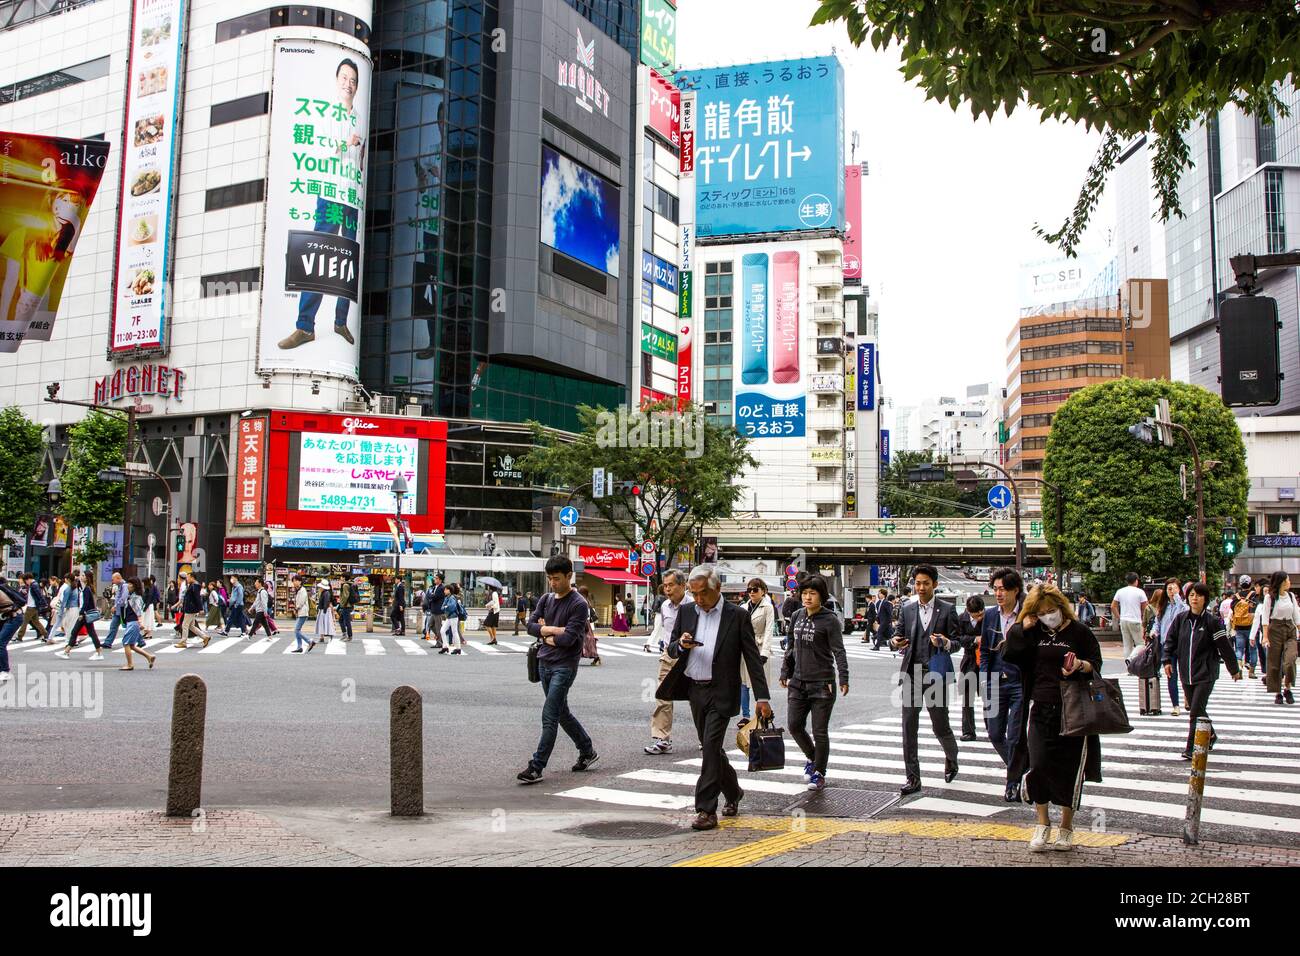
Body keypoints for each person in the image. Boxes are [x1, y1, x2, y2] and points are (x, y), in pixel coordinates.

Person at [655, 565, 771, 830]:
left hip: (722, 691)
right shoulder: (686, 611)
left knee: (709, 747)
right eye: (694, 594)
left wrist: (761, 697)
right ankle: (734, 792)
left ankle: (706, 809)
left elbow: (752, 658)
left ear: (717, 588)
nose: (698, 599)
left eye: (703, 594)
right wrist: (680, 644)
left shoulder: (736, 616)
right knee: (712, 749)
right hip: (695, 690)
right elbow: (672, 648)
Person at [1003, 584, 1104, 853]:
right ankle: (1042, 823)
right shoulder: (1034, 632)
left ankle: (1067, 827)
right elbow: (1009, 653)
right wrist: (1021, 626)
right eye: (1042, 612)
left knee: (1069, 768)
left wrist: (1079, 666)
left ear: (1061, 607)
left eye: (1051, 610)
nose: (1048, 616)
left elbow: (1096, 662)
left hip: (1073, 709)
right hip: (1039, 706)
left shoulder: (1078, 631)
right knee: (1038, 764)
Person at [277, 57, 366, 351]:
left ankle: (340, 321)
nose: (349, 84)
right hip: (330, 193)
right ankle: (305, 326)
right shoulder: (327, 114)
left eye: (353, 80)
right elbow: (319, 150)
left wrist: (358, 156)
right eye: (344, 78)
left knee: (347, 260)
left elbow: (361, 160)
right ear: (336, 79)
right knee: (319, 256)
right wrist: (346, 145)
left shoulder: (359, 118)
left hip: (351, 197)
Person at [517, 554, 599, 784]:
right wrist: (554, 631)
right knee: (562, 713)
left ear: (569, 576)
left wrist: (546, 634)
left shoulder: (579, 604)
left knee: (550, 715)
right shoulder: (546, 599)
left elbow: (570, 639)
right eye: (550, 578)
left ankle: (536, 766)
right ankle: (587, 751)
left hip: (564, 666)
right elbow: (530, 627)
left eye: (557, 578)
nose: (553, 583)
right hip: (544, 663)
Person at [890, 563, 961, 795]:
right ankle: (913, 777)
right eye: (917, 583)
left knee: (940, 725)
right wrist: (895, 642)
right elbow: (897, 635)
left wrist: (945, 642)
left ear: (935, 585)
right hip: (912, 673)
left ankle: (951, 757)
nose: (920, 588)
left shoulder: (947, 609)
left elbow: (958, 642)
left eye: (925, 583)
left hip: (937, 675)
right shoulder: (908, 609)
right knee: (908, 727)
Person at [780, 574, 848, 791]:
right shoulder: (798, 615)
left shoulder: (830, 620)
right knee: (794, 725)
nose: (807, 597)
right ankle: (813, 758)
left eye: (813, 593)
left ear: (821, 596)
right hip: (798, 681)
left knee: (820, 731)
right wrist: (785, 672)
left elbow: (839, 651)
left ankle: (819, 772)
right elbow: (790, 647)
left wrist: (843, 677)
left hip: (822, 683)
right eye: (805, 593)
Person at [1164, 581, 1241, 759]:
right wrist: (1167, 660)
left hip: (1206, 672)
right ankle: (1211, 734)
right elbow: (1170, 641)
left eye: (1198, 595)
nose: (1194, 598)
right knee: (1196, 708)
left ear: (1205, 598)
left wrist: (1233, 669)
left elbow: (1224, 646)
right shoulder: (1181, 619)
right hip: (1186, 673)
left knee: (1195, 711)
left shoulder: (1212, 622)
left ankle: (1191, 748)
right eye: (1191, 595)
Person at [981, 567, 1026, 802]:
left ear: (1015, 590)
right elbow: (986, 651)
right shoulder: (990, 615)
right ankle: (1023, 767)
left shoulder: (1027, 614)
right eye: (996, 589)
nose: (998, 594)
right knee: (994, 732)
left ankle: (1013, 782)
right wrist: (984, 679)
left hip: (1019, 682)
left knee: (1014, 736)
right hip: (996, 681)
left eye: (1003, 589)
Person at [644, 569, 692, 755]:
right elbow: (664, 630)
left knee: (696, 698)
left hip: (691, 655)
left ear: (682, 585)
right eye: (665, 585)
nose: (667, 589)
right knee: (662, 695)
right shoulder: (664, 606)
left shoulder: (694, 604)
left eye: (671, 585)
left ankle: (706, 738)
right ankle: (662, 739)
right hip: (669, 655)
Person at [739, 579, 774, 722]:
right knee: (743, 683)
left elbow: (769, 630)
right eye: (749, 590)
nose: (752, 592)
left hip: (759, 648)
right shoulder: (743, 607)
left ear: (763, 591)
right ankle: (745, 716)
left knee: (759, 682)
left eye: (755, 589)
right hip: (744, 648)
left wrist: (765, 653)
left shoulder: (768, 607)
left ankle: (763, 714)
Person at [1261, 571, 1298, 705]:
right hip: (1274, 629)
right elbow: (1265, 618)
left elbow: (1296, 615)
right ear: (1282, 582)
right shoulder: (1269, 598)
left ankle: (1287, 688)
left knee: (1290, 660)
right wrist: (1265, 637)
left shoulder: (1291, 596)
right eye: (1288, 580)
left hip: (1289, 629)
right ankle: (1278, 692)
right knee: (1275, 663)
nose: (1289, 582)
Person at [1151, 579, 1186, 716]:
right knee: (1171, 675)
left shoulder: (1182, 605)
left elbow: (1183, 611)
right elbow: (1157, 623)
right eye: (1169, 589)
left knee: (1185, 674)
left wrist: (1177, 596)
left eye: (1174, 588)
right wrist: (1154, 631)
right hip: (1167, 645)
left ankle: (1187, 698)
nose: (1171, 591)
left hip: (1182, 644)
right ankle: (1175, 705)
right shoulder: (1163, 606)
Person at [956, 595, 985, 741]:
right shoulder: (961, 619)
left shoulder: (989, 618)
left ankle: (992, 728)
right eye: (976, 614)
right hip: (969, 660)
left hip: (986, 660)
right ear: (968, 611)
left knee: (989, 696)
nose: (980, 616)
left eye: (981, 613)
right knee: (967, 698)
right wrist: (974, 639)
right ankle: (968, 730)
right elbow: (957, 639)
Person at [58, 573, 104, 660]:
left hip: (84, 615)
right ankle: (98, 652)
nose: (81, 577)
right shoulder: (84, 588)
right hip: (85, 614)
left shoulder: (87, 589)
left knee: (76, 632)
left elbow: (86, 603)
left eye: (83, 576)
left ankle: (66, 652)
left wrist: (81, 614)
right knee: (89, 632)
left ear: (87, 578)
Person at [119, 578, 156, 671]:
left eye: (130, 584)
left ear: (134, 586)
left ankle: (130, 664)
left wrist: (140, 622)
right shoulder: (132, 596)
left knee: (126, 643)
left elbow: (138, 611)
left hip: (133, 622)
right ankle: (149, 657)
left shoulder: (136, 597)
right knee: (131, 645)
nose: (128, 585)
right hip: (131, 622)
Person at [1110, 572, 1149, 657]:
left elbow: (1113, 606)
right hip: (1136, 620)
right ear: (1136, 580)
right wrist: (1142, 617)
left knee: (1127, 645)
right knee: (1141, 644)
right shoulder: (1140, 592)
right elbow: (1145, 607)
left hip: (1124, 620)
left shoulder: (1120, 591)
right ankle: (1131, 658)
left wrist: (1119, 617)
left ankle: (1128, 664)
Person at [1228, 579, 1259, 679]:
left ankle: (1239, 667)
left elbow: (1232, 609)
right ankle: (1251, 672)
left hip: (1239, 626)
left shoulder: (1236, 596)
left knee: (1239, 648)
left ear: (1240, 584)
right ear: (1250, 584)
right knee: (1253, 649)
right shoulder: (1254, 595)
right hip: (1251, 626)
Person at [14, 573, 50, 642]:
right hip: (33, 606)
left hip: (31, 607)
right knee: (36, 622)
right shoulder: (33, 584)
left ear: (29, 579)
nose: (26, 582)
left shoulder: (34, 585)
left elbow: (39, 595)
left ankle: (19, 637)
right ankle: (46, 635)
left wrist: (44, 603)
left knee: (24, 621)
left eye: (26, 580)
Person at [100, 569, 126, 650]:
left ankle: (140, 641)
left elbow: (123, 598)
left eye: (113, 579)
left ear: (118, 578)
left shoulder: (124, 586)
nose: (112, 580)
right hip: (118, 610)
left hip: (122, 610)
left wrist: (116, 605)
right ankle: (108, 642)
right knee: (113, 626)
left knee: (128, 626)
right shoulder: (118, 586)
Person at [290, 577, 316, 653]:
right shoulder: (298, 590)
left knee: (296, 630)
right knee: (297, 630)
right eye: (293, 581)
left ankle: (309, 641)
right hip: (300, 612)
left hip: (303, 613)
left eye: (295, 581)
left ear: (300, 582)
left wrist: (296, 608)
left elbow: (300, 602)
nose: (294, 582)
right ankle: (299, 647)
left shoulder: (302, 590)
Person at [576, 584, 600, 665]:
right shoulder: (586, 600)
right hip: (585, 623)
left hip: (583, 623)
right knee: (586, 641)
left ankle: (596, 657)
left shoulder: (583, 601)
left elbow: (583, 614)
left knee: (586, 641)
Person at [423, 573, 445, 643]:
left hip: (438, 610)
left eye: (436, 578)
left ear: (440, 580)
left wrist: (431, 595)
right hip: (433, 609)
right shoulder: (435, 587)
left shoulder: (441, 588)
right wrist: (431, 595)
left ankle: (439, 642)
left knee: (438, 627)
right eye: (435, 578)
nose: (435, 579)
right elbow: (431, 596)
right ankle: (440, 638)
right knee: (430, 625)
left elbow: (435, 597)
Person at [337, 576, 356, 642]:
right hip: (347, 605)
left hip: (346, 606)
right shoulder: (349, 584)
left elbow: (345, 596)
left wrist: (342, 604)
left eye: (341, 577)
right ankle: (344, 634)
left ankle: (349, 636)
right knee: (341, 620)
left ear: (344, 578)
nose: (340, 578)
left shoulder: (345, 585)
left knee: (347, 622)